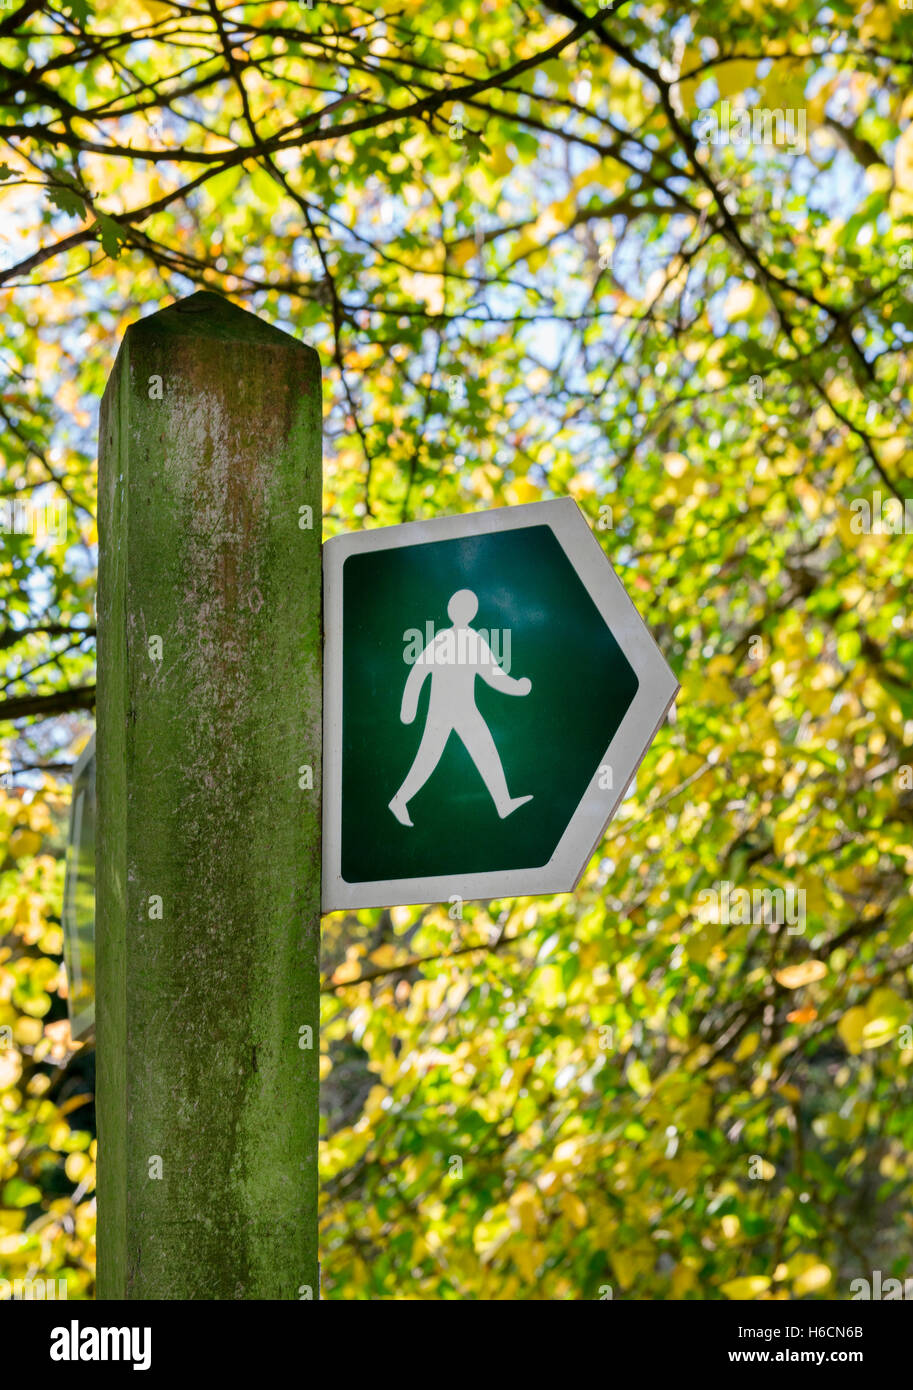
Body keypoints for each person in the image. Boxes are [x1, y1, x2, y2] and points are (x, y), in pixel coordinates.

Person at [389, 588, 533, 827]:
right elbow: (419, 670)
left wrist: (519, 688)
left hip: (466, 710)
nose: (465, 611)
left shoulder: (474, 640)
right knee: (427, 759)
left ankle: (503, 802)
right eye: (462, 607)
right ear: (453, 610)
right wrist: (408, 707)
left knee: (486, 750)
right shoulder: (443, 638)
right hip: (441, 712)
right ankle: (399, 800)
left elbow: (493, 674)